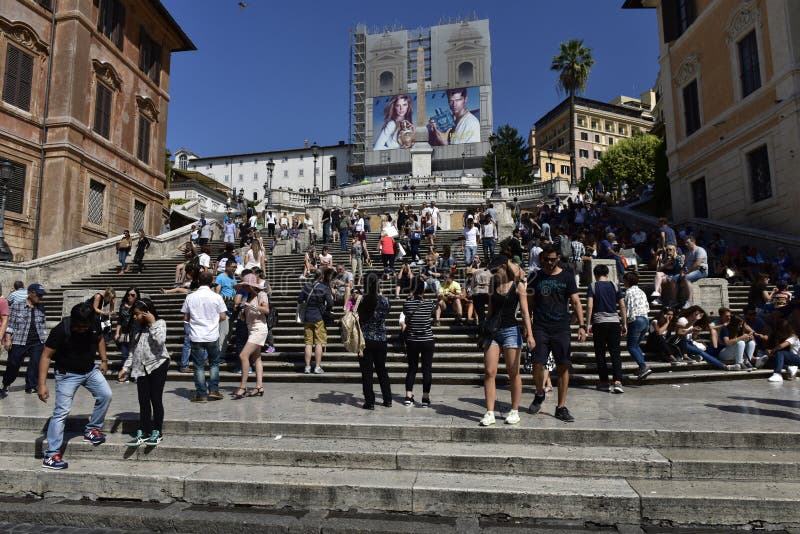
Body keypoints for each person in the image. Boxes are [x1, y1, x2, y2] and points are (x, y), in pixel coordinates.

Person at [38, 302, 111, 470]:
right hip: (67, 374)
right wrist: (41, 384)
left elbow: (100, 339)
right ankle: (51, 455)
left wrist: (104, 360)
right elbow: (46, 356)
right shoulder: (61, 330)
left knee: (105, 395)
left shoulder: (94, 323)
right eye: (78, 326)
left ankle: (92, 429)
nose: (81, 329)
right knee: (61, 412)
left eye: (84, 327)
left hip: (90, 370)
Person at [527, 244, 586, 422]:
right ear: (541, 259)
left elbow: (576, 301)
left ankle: (561, 407)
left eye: (553, 259)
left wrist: (582, 325)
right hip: (540, 326)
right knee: (537, 363)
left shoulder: (567, 276)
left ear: (558, 258)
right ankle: (539, 393)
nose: (549, 262)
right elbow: (529, 304)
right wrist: (527, 328)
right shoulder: (535, 276)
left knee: (563, 365)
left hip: (561, 327)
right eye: (546, 259)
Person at [479, 258, 535, 427]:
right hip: (493, 332)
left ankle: (514, 410)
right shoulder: (493, 286)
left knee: (513, 372)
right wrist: (483, 331)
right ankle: (490, 412)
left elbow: (525, 312)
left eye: (495, 270)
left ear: (504, 268)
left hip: (511, 330)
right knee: (489, 371)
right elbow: (490, 312)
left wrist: (530, 335)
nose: (493, 274)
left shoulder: (518, 286)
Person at [118, 299, 169, 447]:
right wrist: (126, 368)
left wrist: (152, 323)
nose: (135, 317)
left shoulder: (160, 323)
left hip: (157, 364)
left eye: (137, 314)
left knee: (156, 398)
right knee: (143, 400)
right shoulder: (137, 328)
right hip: (141, 368)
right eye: (134, 315)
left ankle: (157, 432)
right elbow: (133, 350)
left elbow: (160, 341)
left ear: (147, 313)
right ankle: (144, 431)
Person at [181, 271, 228, 402]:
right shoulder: (217, 297)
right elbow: (223, 316)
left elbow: (186, 317)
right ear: (211, 282)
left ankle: (201, 394)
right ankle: (214, 390)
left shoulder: (190, 297)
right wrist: (212, 321)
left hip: (196, 335)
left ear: (198, 281)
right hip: (212, 335)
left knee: (199, 366)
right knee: (214, 364)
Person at [1, 283, 48, 397]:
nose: (40, 297)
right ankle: (6, 384)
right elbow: (10, 324)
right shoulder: (16, 306)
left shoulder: (41, 307)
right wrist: (8, 339)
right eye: (38, 295)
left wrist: (44, 339)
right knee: (13, 364)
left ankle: (31, 386)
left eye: (42, 295)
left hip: (37, 341)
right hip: (19, 340)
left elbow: (43, 325)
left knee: (35, 364)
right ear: (29, 293)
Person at [231, 274, 269, 399]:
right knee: (256, 358)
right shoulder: (248, 296)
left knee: (243, 355)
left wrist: (250, 306)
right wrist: (242, 312)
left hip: (259, 328)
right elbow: (246, 316)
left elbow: (266, 310)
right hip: (251, 328)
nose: (244, 288)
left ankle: (243, 387)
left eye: (245, 286)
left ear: (251, 286)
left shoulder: (261, 294)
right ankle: (259, 387)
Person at [358, 273, 393, 409]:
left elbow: (358, 317)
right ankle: (388, 399)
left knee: (367, 372)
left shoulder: (362, 300)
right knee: (382, 369)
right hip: (381, 339)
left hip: (366, 339)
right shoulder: (385, 300)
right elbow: (386, 314)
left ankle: (370, 402)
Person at [402, 279, 437, 407]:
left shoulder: (407, 304)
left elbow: (406, 317)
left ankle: (408, 396)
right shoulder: (429, 303)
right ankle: (425, 398)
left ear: (412, 289)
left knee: (412, 368)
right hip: (427, 340)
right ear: (424, 290)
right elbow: (439, 309)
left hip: (412, 341)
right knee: (427, 369)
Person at [297, 269, 334, 374]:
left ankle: (307, 367)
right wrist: (326, 310)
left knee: (308, 343)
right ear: (322, 277)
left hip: (307, 317)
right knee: (319, 342)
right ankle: (317, 367)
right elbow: (330, 303)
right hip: (319, 317)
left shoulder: (307, 286)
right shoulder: (324, 287)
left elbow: (299, 300)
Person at [622, 272, 653, 380]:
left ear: (627, 281)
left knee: (631, 346)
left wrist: (624, 323)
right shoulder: (641, 291)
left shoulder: (628, 291)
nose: (623, 282)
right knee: (636, 345)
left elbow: (627, 308)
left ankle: (643, 366)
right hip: (645, 319)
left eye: (624, 280)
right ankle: (642, 367)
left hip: (636, 320)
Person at [114, 287, 140, 372]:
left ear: (137, 296)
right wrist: (117, 332)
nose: (130, 296)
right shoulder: (123, 305)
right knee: (124, 354)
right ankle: (125, 373)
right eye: (128, 295)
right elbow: (120, 320)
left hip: (135, 333)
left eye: (132, 295)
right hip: (124, 333)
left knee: (134, 354)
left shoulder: (139, 305)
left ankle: (134, 372)